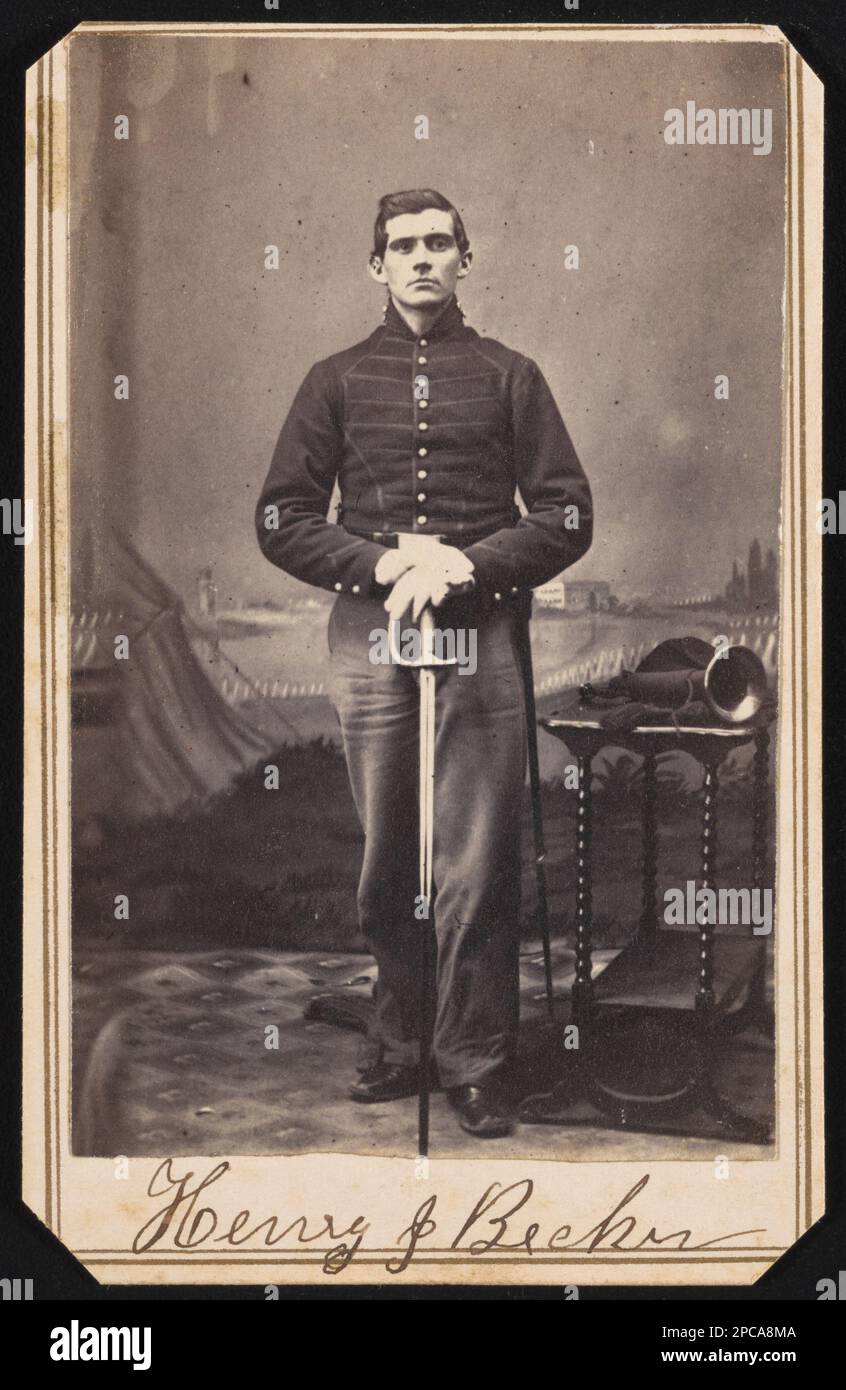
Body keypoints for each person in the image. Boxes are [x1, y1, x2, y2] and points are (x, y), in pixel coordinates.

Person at [256, 189, 593, 1137]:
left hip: (481, 633)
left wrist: (470, 563)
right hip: (370, 635)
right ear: (377, 266)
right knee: (389, 853)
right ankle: (401, 1040)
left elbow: (567, 513)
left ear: (465, 260)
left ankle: (476, 1057)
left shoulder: (510, 375)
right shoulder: (332, 379)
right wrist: (382, 562)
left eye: (438, 243)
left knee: (477, 860)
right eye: (401, 246)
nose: (420, 260)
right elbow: (281, 518)